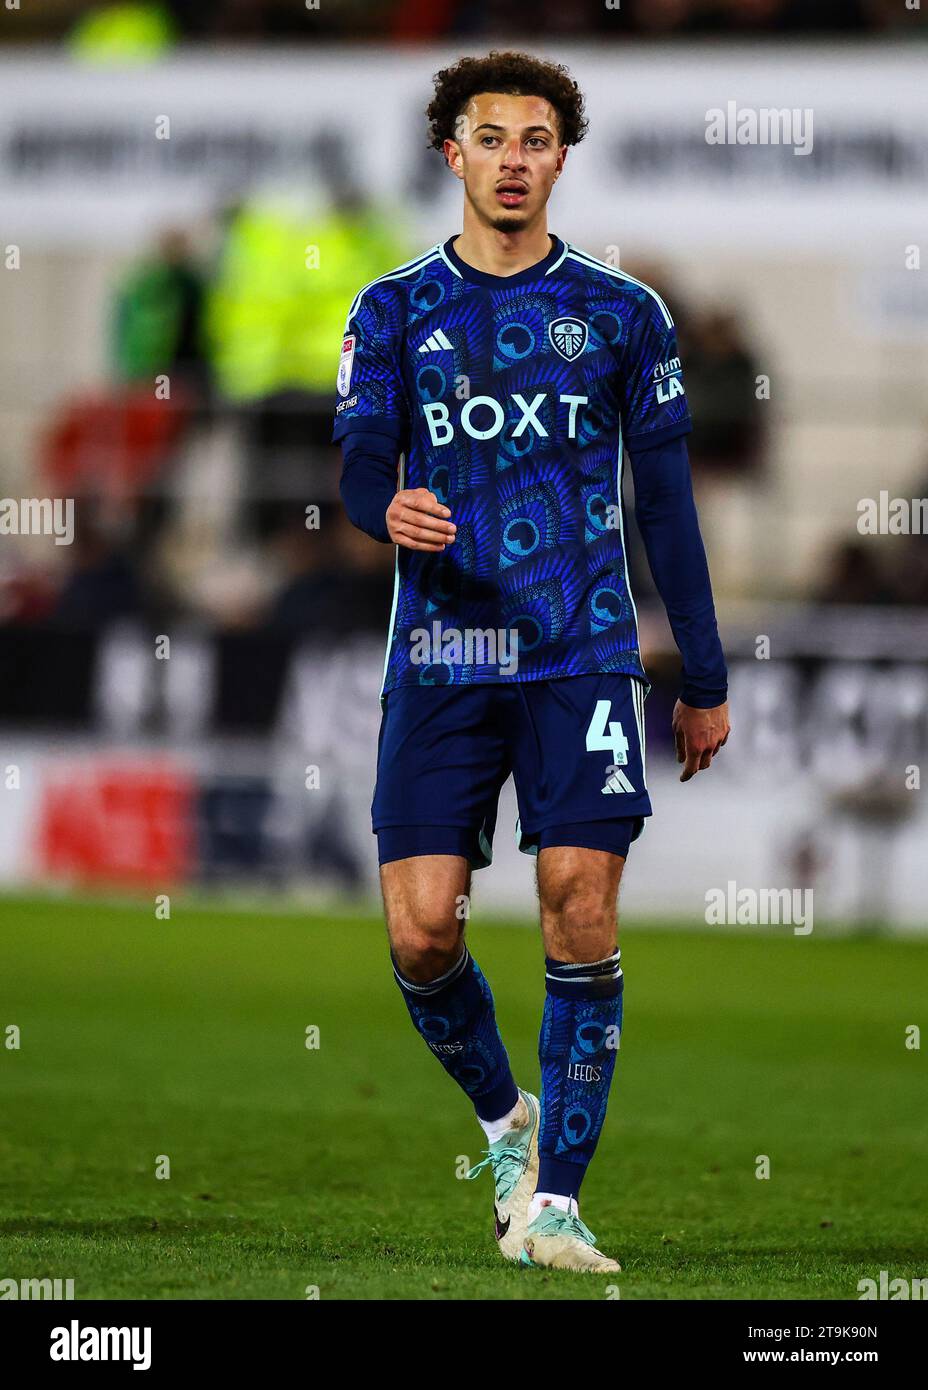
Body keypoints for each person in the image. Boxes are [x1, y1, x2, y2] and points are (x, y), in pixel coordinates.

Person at [334, 51, 730, 1273]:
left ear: (563, 157)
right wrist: (379, 510)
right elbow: (358, 459)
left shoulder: (623, 313)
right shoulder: (392, 308)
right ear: (449, 153)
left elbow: (665, 504)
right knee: (419, 937)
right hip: (444, 651)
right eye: (489, 137)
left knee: (579, 907)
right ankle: (507, 1119)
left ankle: (554, 1202)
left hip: (582, 651)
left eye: (535, 139)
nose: (512, 159)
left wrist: (703, 675)